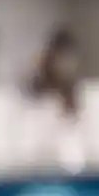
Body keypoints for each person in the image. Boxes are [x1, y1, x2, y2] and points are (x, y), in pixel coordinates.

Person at [23, 29, 86, 172]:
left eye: (71, 59)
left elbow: (74, 143)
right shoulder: (37, 90)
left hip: (69, 169)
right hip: (40, 166)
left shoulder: (72, 91)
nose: (67, 65)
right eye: (63, 58)